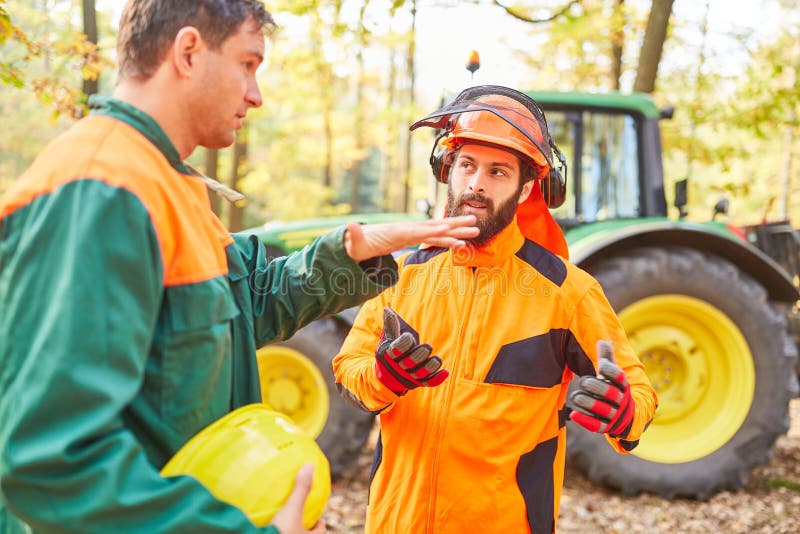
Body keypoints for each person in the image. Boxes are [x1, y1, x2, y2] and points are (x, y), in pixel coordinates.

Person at [0, 2, 478, 533]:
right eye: (248, 64)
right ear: (187, 52)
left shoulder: (170, 186)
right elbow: (51, 461)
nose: (256, 94)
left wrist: (354, 252)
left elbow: (244, 304)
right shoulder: (100, 192)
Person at [332, 85, 658, 534]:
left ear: (526, 189)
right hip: (396, 522)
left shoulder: (567, 291)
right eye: (466, 165)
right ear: (448, 171)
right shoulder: (405, 275)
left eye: (498, 172)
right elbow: (349, 366)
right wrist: (383, 377)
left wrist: (624, 413)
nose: (476, 183)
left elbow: (638, 393)